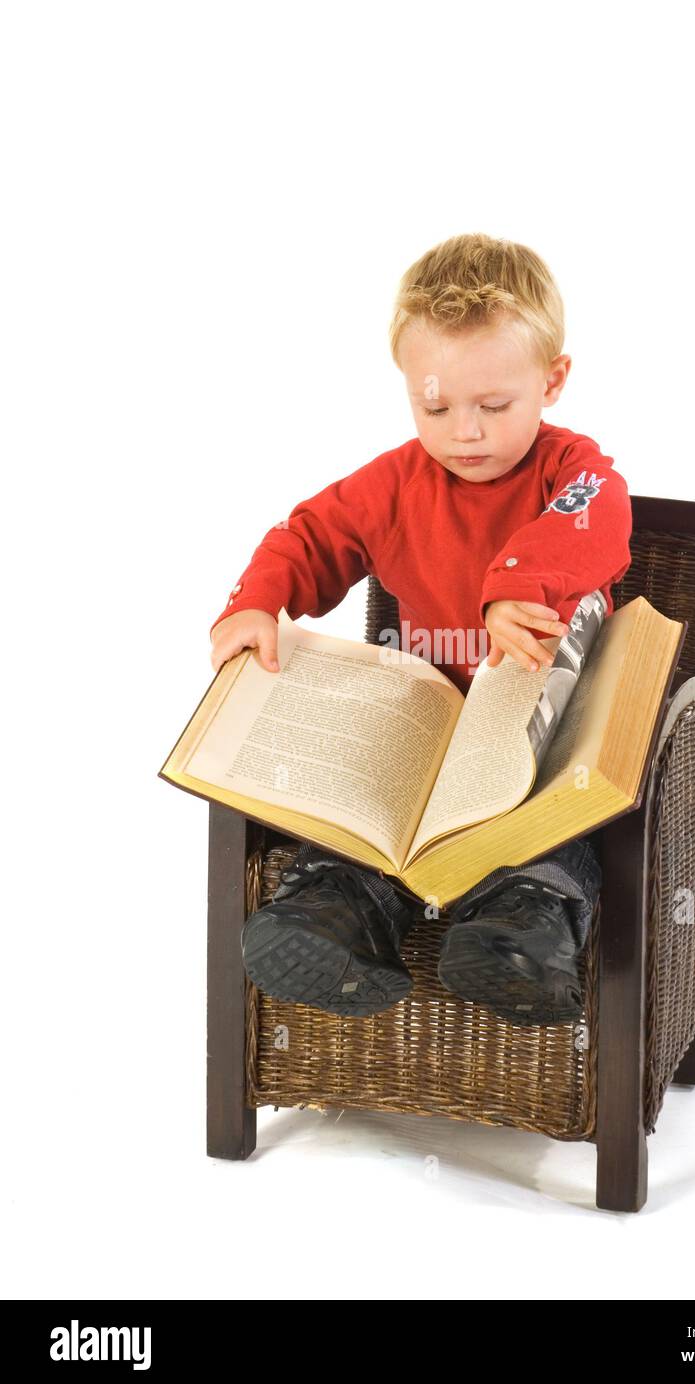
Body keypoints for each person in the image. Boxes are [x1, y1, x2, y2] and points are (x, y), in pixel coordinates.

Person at [209, 233, 632, 1026]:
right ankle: (333, 923)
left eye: (493, 406)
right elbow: (312, 533)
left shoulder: (571, 471)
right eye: (434, 406)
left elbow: (598, 520)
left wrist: (517, 588)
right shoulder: (397, 483)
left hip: (538, 745)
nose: (463, 432)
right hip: (430, 739)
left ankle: (518, 942)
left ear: (553, 380)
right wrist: (256, 602)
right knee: (357, 833)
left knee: (549, 843)